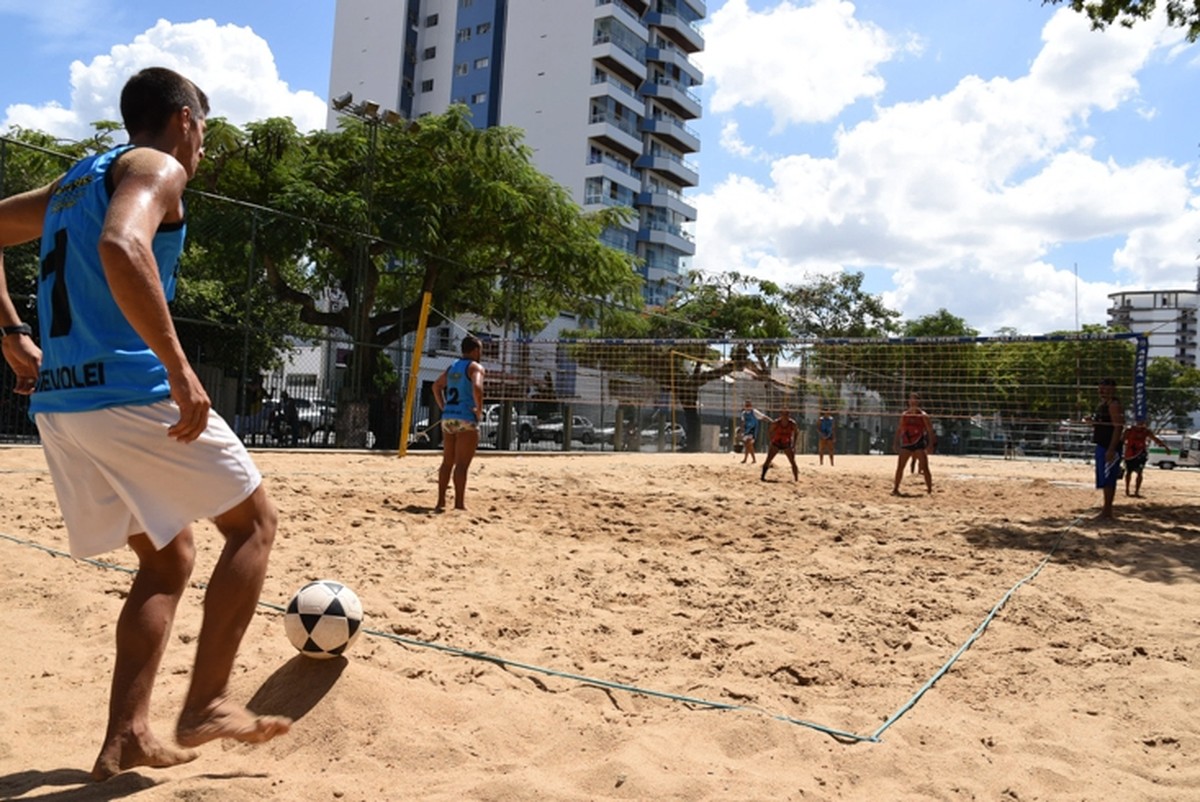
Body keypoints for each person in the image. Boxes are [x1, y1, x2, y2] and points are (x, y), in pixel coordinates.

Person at [0, 67, 290, 781]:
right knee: (252, 525)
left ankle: (126, 735)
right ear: (184, 120)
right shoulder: (157, 164)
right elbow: (121, 246)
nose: (201, 149)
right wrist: (179, 364)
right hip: (131, 395)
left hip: (64, 405)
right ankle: (209, 701)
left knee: (167, 559)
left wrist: (12, 335)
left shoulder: (76, 179)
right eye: (204, 131)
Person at [433, 335, 485, 510]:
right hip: (465, 418)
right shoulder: (475, 367)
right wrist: (479, 409)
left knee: (447, 462)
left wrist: (444, 407)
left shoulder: (452, 367)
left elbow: (436, 386)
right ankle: (459, 504)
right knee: (462, 465)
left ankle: (440, 502)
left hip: (449, 417)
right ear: (476, 350)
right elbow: (477, 388)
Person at [1090, 378, 1125, 520]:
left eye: (1104, 388)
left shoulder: (1114, 405)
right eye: (1100, 388)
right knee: (1104, 479)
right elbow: (1105, 424)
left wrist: (1111, 449)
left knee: (1109, 479)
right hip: (1102, 444)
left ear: (1112, 389)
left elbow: (1118, 427)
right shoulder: (1103, 404)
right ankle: (1106, 511)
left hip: (1109, 446)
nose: (1101, 390)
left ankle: (1107, 512)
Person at [892, 392, 935, 495]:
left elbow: (930, 431)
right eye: (911, 399)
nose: (913, 401)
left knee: (924, 467)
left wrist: (930, 445)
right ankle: (895, 488)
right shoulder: (905, 415)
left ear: (918, 401)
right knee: (900, 467)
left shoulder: (923, 415)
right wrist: (895, 443)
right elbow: (899, 429)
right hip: (907, 443)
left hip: (919, 443)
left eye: (915, 399)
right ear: (908, 401)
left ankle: (929, 490)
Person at [1123, 418, 1170, 497]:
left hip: (1141, 453)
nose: (1140, 424)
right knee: (1128, 472)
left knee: (1140, 472)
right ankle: (1127, 489)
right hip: (1130, 454)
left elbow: (1155, 439)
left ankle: (1137, 491)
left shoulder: (1146, 431)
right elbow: (1122, 439)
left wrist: (1165, 447)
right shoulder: (1129, 430)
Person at [760, 407, 799, 482]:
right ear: (780, 415)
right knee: (768, 460)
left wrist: (794, 444)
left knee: (793, 462)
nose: (785, 416)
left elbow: (796, 432)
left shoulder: (792, 423)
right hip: (776, 443)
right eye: (783, 414)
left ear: (789, 415)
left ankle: (796, 479)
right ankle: (762, 476)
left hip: (786, 444)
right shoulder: (776, 423)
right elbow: (770, 431)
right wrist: (771, 440)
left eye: (787, 414)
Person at [737, 399, 759, 464]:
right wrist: (741, 431)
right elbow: (743, 423)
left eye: (749, 405)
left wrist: (771, 421)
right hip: (747, 431)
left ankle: (746, 459)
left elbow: (763, 417)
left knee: (748, 443)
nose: (748, 406)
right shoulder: (743, 414)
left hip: (753, 431)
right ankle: (753, 459)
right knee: (748, 445)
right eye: (746, 405)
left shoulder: (754, 412)